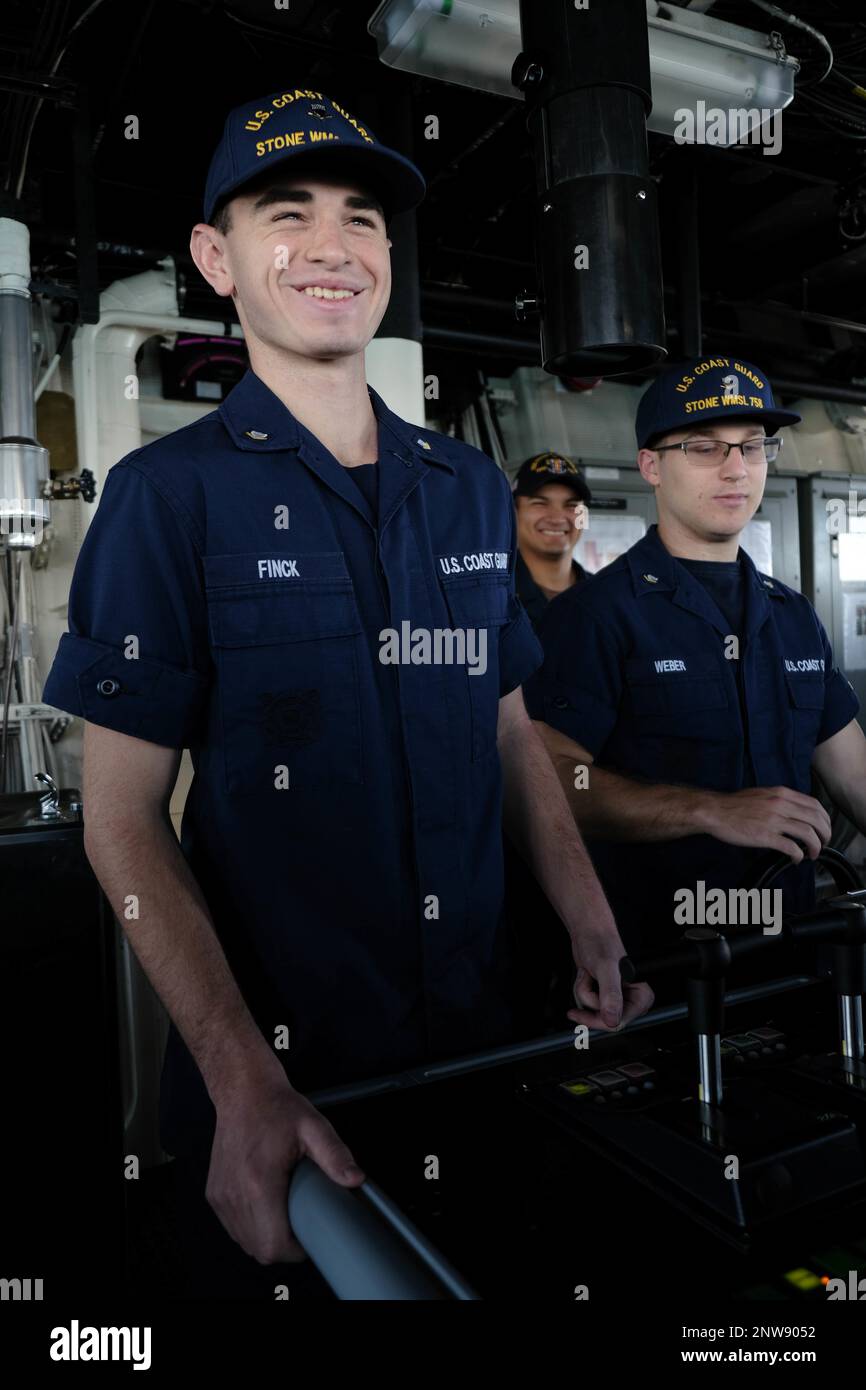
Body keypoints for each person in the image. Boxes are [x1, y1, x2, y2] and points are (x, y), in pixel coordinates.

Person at [42, 87, 652, 1295]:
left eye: (362, 218)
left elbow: (503, 725)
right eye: (288, 212)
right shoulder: (168, 498)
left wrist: (586, 915)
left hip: (488, 1044)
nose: (332, 245)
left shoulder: (469, 486)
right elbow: (117, 818)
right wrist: (236, 1074)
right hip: (293, 1080)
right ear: (216, 259)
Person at [524, 355, 866, 978]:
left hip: (789, 956)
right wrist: (710, 809)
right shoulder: (596, 617)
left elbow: (854, 774)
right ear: (651, 467)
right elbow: (549, 784)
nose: (736, 468)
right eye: (705, 446)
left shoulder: (793, 616)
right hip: (662, 970)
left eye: (753, 446)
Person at [512, 452, 591, 632]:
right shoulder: (493, 596)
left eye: (571, 505)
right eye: (539, 503)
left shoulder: (608, 595)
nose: (557, 518)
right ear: (513, 513)